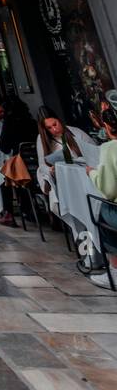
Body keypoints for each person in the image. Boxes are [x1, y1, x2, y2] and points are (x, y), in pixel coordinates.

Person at [0, 93, 38, 226]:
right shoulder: (31, 121)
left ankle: (7, 212)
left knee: (4, 176)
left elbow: (4, 147)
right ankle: (28, 208)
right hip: (35, 167)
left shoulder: (10, 122)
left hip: (20, 169)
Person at [86, 110, 117, 289]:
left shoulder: (110, 148)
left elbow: (109, 189)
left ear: (106, 127)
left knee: (104, 210)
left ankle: (115, 270)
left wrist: (92, 173)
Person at [36, 110, 86, 213]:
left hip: (82, 174)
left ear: (59, 120)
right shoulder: (43, 140)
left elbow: (92, 151)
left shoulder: (75, 132)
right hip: (63, 179)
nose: (54, 129)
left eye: (55, 124)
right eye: (49, 128)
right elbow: (42, 165)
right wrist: (50, 170)